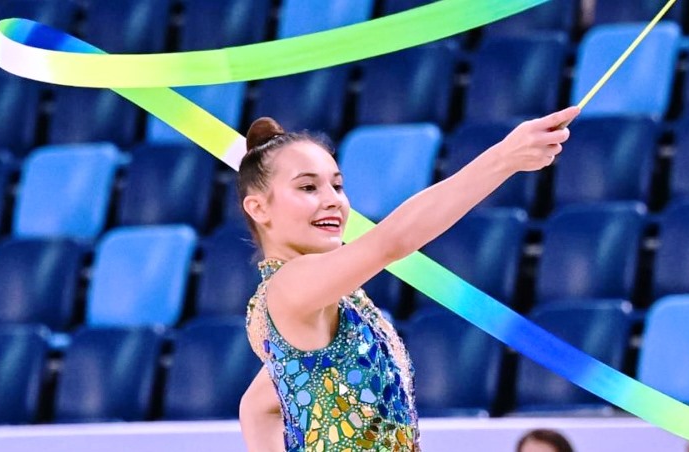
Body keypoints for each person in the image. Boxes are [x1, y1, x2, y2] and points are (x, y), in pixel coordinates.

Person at [238, 106, 580, 451]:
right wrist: (504, 158)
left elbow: (256, 408)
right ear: (259, 208)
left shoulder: (319, 302)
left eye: (337, 185)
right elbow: (392, 242)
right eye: (309, 187)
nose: (333, 201)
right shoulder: (291, 284)